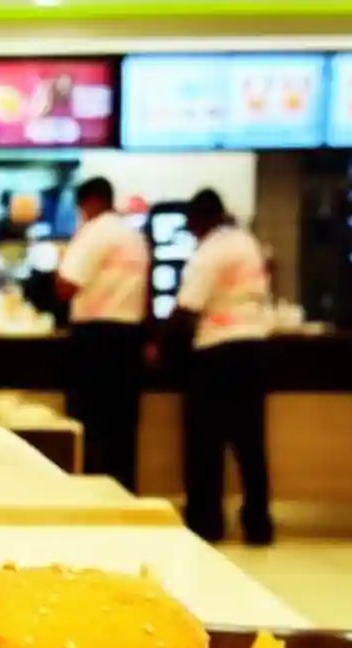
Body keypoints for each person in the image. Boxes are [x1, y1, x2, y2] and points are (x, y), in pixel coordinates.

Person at [167, 190, 274, 546]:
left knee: (205, 444)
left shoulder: (210, 251)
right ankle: (258, 523)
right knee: (250, 444)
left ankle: (206, 521)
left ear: (201, 219)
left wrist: (160, 346)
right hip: (254, 347)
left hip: (216, 352)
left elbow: (187, 308)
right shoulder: (247, 243)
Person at [57, 177, 150, 493]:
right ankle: (123, 494)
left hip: (94, 339)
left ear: (88, 203)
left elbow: (67, 287)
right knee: (123, 429)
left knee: (90, 425)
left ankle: (92, 499)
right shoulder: (135, 237)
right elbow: (148, 295)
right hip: (130, 337)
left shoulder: (93, 233)